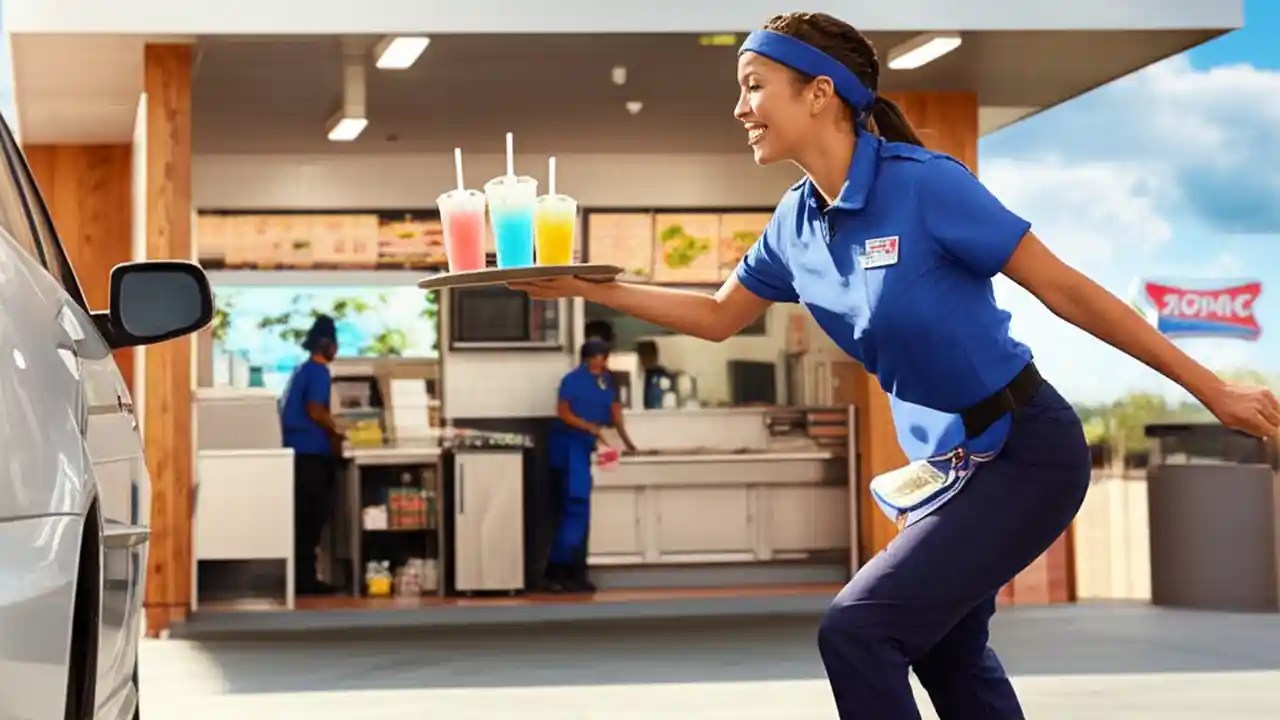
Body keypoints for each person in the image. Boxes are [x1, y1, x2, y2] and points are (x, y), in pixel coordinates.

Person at [510, 11, 1280, 719]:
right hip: (944, 467)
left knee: (858, 630)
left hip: (1025, 449)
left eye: (754, 87)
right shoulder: (795, 222)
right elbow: (715, 316)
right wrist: (583, 284)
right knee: (950, 653)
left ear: (819, 94)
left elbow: (1068, 291)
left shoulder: (926, 184)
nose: (741, 108)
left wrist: (1211, 389)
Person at [544, 339, 637, 593]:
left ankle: (573, 570)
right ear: (588, 358)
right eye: (597, 357)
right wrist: (590, 427)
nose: (601, 362)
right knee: (576, 508)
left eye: (604, 357)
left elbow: (615, 414)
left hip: (590, 446)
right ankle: (559, 570)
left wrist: (627, 443)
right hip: (570, 446)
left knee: (580, 513)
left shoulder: (608, 382)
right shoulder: (572, 381)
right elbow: (563, 412)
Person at [279, 315, 346, 596]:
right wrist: (337, 431)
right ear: (326, 344)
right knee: (311, 520)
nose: (336, 349)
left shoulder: (301, 369)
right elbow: (316, 409)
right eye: (335, 343)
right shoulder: (319, 371)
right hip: (310, 456)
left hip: (295, 453)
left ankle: (301, 579)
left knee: (301, 520)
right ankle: (306, 582)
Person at [635, 340, 672, 410]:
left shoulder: (662, 374)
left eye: (649, 354)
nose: (646, 359)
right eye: (644, 355)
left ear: (655, 355)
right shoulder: (637, 376)